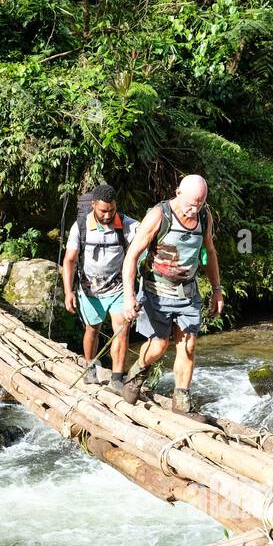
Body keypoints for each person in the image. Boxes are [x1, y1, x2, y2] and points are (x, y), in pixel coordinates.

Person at [121, 174, 225, 413]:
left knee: (188, 346)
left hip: (188, 293)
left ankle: (181, 401)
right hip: (156, 290)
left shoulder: (204, 217)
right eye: (191, 203)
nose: (194, 209)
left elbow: (209, 252)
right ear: (178, 193)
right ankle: (136, 375)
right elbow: (133, 255)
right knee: (158, 346)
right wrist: (129, 296)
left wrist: (217, 290)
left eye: (200, 203)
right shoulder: (159, 215)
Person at [62, 183, 139, 393]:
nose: (107, 215)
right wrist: (68, 292)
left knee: (121, 332)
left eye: (111, 210)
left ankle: (116, 378)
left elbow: (146, 241)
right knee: (92, 330)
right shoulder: (81, 226)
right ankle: (90, 367)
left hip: (118, 289)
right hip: (89, 290)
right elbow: (69, 260)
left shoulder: (128, 226)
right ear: (94, 205)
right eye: (103, 210)